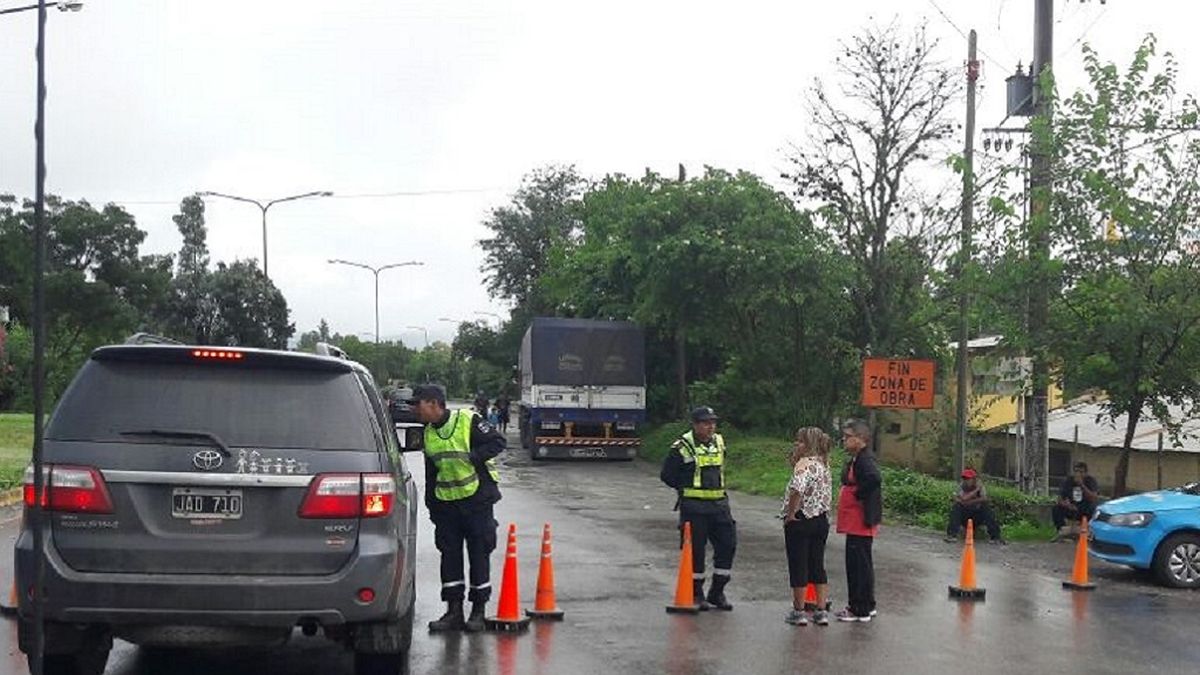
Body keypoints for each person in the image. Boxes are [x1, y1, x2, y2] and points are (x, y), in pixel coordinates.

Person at [408, 383, 507, 632]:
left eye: (417, 404)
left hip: (476, 502)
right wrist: (432, 505)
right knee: (449, 556)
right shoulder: (428, 432)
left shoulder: (467, 420)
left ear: (433, 403)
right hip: (447, 506)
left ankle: (478, 612)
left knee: (478, 553)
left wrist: (473, 457)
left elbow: (497, 442)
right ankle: (453, 612)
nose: (414, 410)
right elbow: (432, 472)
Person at [660, 406, 737, 611]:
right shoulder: (682, 446)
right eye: (705, 423)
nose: (710, 426)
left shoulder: (719, 442)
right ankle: (696, 593)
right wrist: (685, 488)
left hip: (719, 506)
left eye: (712, 422)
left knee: (728, 545)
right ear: (695, 425)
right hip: (694, 508)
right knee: (695, 551)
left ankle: (717, 592)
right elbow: (667, 475)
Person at [781, 427, 834, 627]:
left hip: (801, 519)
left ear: (809, 444)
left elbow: (797, 487)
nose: (797, 444)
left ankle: (799, 610)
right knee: (817, 564)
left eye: (800, 441)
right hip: (820, 520)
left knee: (798, 565)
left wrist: (791, 512)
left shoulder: (804, 464)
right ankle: (821, 611)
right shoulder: (824, 463)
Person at [835, 418, 881, 623]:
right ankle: (865, 604)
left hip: (860, 520)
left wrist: (857, 494)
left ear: (861, 439)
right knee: (860, 562)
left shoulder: (865, 460)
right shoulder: (857, 458)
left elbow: (874, 478)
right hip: (855, 520)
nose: (844, 440)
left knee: (858, 565)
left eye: (848, 437)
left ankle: (859, 608)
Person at [944, 468, 1005, 544]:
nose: (966, 480)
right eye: (965, 478)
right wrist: (975, 491)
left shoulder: (980, 486)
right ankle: (951, 535)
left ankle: (996, 537)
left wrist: (970, 501)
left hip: (977, 516)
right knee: (957, 507)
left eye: (968, 479)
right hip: (964, 516)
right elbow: (962, 498)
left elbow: (985, 498)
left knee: (986, 508)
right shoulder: (961, 486)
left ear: (974, 479)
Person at [1052, 461, 1100, 541]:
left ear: (1085, 473)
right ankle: (1061, 532)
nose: (1078, 474)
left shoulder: (1090, 481)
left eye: (1081, 472)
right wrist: (1066, 504)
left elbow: (1094, 498)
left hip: (1085, 508)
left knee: (1094, 508)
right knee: (1056, 508)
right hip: (1072, 507)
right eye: (1076, 471)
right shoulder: (1068, 481)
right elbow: (1059, 498)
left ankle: (1089, 534)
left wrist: (1082, 485)